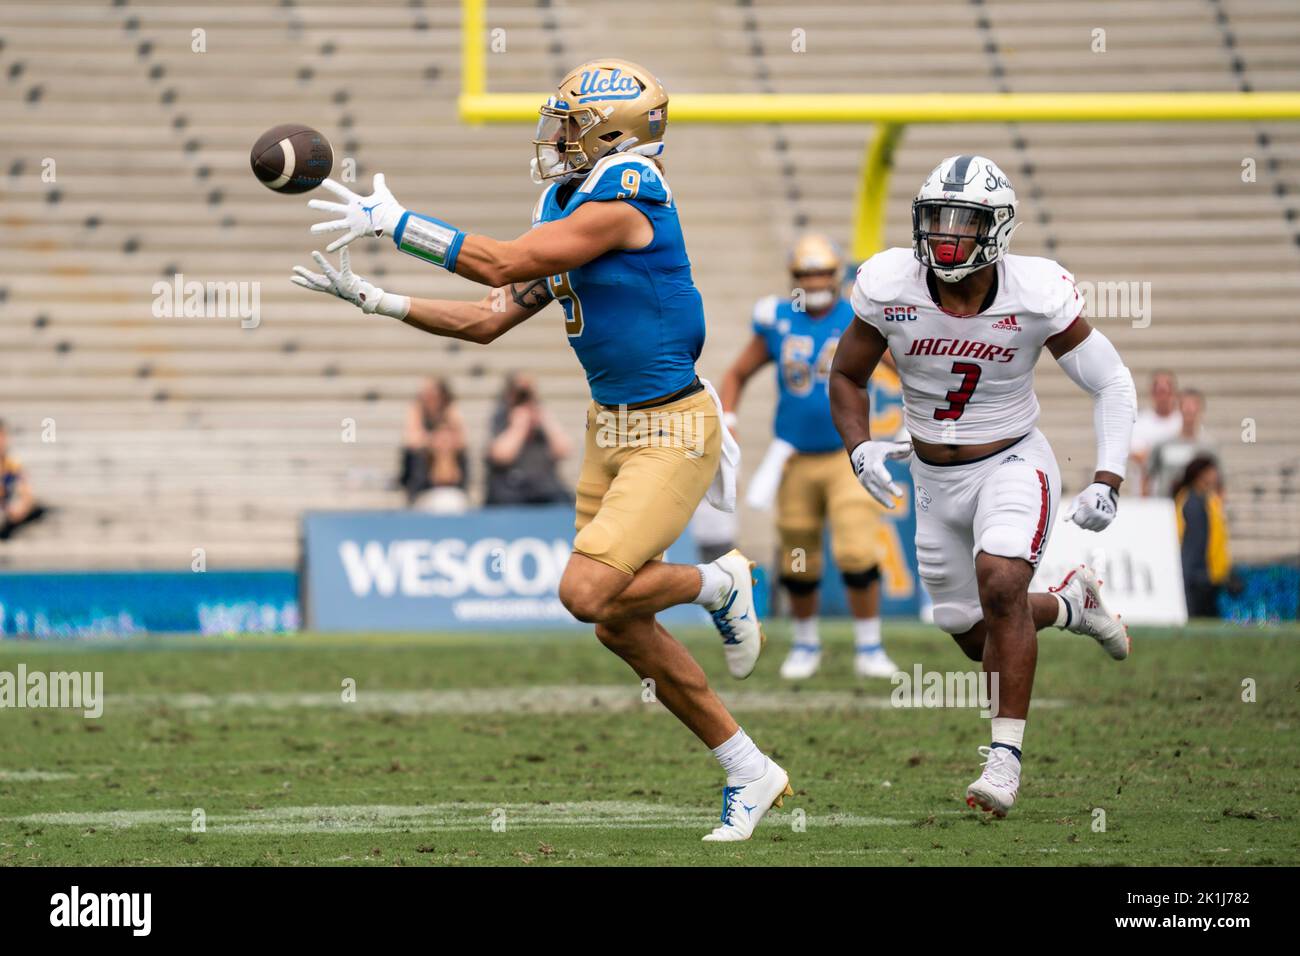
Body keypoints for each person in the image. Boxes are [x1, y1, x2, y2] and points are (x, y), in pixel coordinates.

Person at [290, 59, 786, 841]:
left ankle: (717, 582)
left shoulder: (631, 193)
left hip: (671, 426)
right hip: (609, 426)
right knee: (617, 624)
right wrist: (379, 300)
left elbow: (507, 262)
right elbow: (489, 315)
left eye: (567, 122)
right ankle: (749, 769)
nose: (554, 136)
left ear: (608, 129)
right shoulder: (574, 199)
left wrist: (399, 224)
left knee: (586, 593)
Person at [829, 154, 1136, 818]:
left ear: (996, 229)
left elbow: (1110, 379)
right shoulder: (890, 286)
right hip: (933, 477)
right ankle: (1072, 606)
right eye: (936, 218)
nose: (947, 235)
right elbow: (846, 376)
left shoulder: (1034, 293)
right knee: (971, 631)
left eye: (963, 222)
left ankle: (1005, 759)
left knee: (1000, 583)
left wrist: (1108, 477)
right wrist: (860, 450)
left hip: (1012, 460)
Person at [720, 234, 898, 680]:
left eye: (820, 273)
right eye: (806, 274)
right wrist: (730, 417)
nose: (814, 282)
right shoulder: (779, 320)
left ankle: (869, 646)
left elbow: (906, 366)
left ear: (836, 275)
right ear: (793, 278)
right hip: (794, 459)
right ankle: (805, 642)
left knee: (857, 550)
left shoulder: (857, 319)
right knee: (799, 554)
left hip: (847, 455)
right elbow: (737, 373)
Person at [485, 372, 572, 505]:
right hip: (510, 492)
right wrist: (518, 426)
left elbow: (564, 451)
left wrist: (545, 420)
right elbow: (501, 455)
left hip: (546, 490)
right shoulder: (501, 418)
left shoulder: (542, 418)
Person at [1172, 455, 1231, 618]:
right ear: (1200, 474)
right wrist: (1202, 576)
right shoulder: (1193, 502)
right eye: (1211, 471)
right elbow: (1196, 544)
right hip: (1197, 577)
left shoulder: (1203, 500)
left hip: (1201, 575)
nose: (1215, 476)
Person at [399, 377, 470, 513]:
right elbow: (412, 441)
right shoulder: (419, 421)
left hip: (452, 493)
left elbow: (461, 443)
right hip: (423, 492)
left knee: (452, 501)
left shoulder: (451, 422)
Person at [1147, 388, 1216, 498]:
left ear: (1200, 409)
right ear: (1179, 408)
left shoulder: (1209, 447)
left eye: (1194, 405)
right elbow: (1147, 475)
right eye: (1185, 404)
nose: (1189, 409)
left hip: (1197, 509)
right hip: (1166, 506)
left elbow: (1219, 484)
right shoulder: (1163, 444)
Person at [1128, 370, 1181, 495]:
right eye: (1159, 392)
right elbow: (1138, 456)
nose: (1163, 397)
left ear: (1174, 393)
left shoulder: (1182, 421)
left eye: (1166, 391)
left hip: (1177, 495)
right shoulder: (1140, 422)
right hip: (1147, 496)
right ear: (1152, 394)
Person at [0, 420, 45, 540]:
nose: (2, 441)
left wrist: (21, 508)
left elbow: (26, 492)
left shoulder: (12, 465)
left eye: (3, 436)